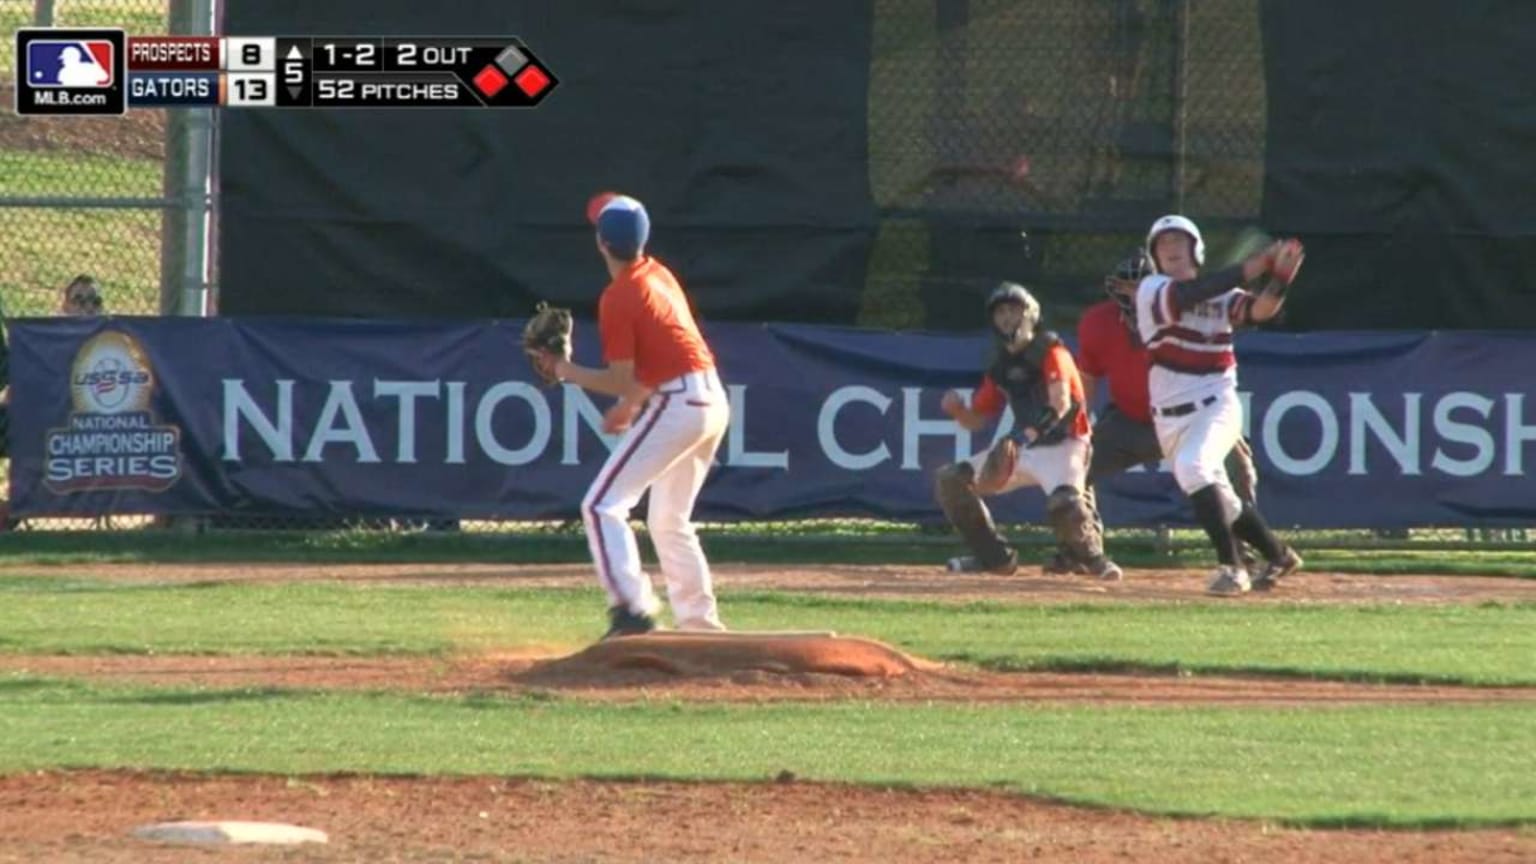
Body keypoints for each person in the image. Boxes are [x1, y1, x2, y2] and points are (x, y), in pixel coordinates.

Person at [541, 193, 731, 638]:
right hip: (709, 398)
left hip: (679, 403)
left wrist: (564, 370)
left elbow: (622, 379)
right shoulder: (659, 274)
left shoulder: (620, 295)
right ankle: (700, 625)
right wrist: (630, 405)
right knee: (669, 520)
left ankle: (632, 610)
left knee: (601, 504)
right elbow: (667, 355)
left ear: (601, 243)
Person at [1044, 249, 1268, 577]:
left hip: (1191, 420)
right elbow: (1087, 382)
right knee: (1073, 468)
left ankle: (1242, 550)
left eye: (1144, 287)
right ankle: (1077, 548)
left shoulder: (1191, 310)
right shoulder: (1097, 321)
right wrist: (1077, 432)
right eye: (1129, 288)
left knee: (1239, 468)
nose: (1136, 296)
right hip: (1130, 420)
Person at [1133, 215, 1304, 596]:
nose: (1172, 248)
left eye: (1180, 241)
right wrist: (1256, 265)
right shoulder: (1152, 289)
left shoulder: (1219, 293)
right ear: (1154, 256)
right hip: (1169, 419)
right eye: (1163, 244)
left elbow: (1259, 311)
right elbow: (1189, 295)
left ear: (1196, 249)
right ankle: (1278, 554)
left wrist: (1279, 279)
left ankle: (1233, 567)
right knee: (1221, 499)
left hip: (1216, 403)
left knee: (1196, 468)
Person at [934, 282, 1123, 582]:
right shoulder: (999, 364)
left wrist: (1024, 438)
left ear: (1031, 315)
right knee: (951, 480)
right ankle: (994, 558)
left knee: (1065, 504)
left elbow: (1061, 405)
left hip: (1066, 444)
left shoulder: (1052, 352)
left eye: (1014, 310)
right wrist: (958, 411)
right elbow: (977, 419)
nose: (1007, 318)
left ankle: (1093, 559)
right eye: (1001, 313)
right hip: (1028, 447)